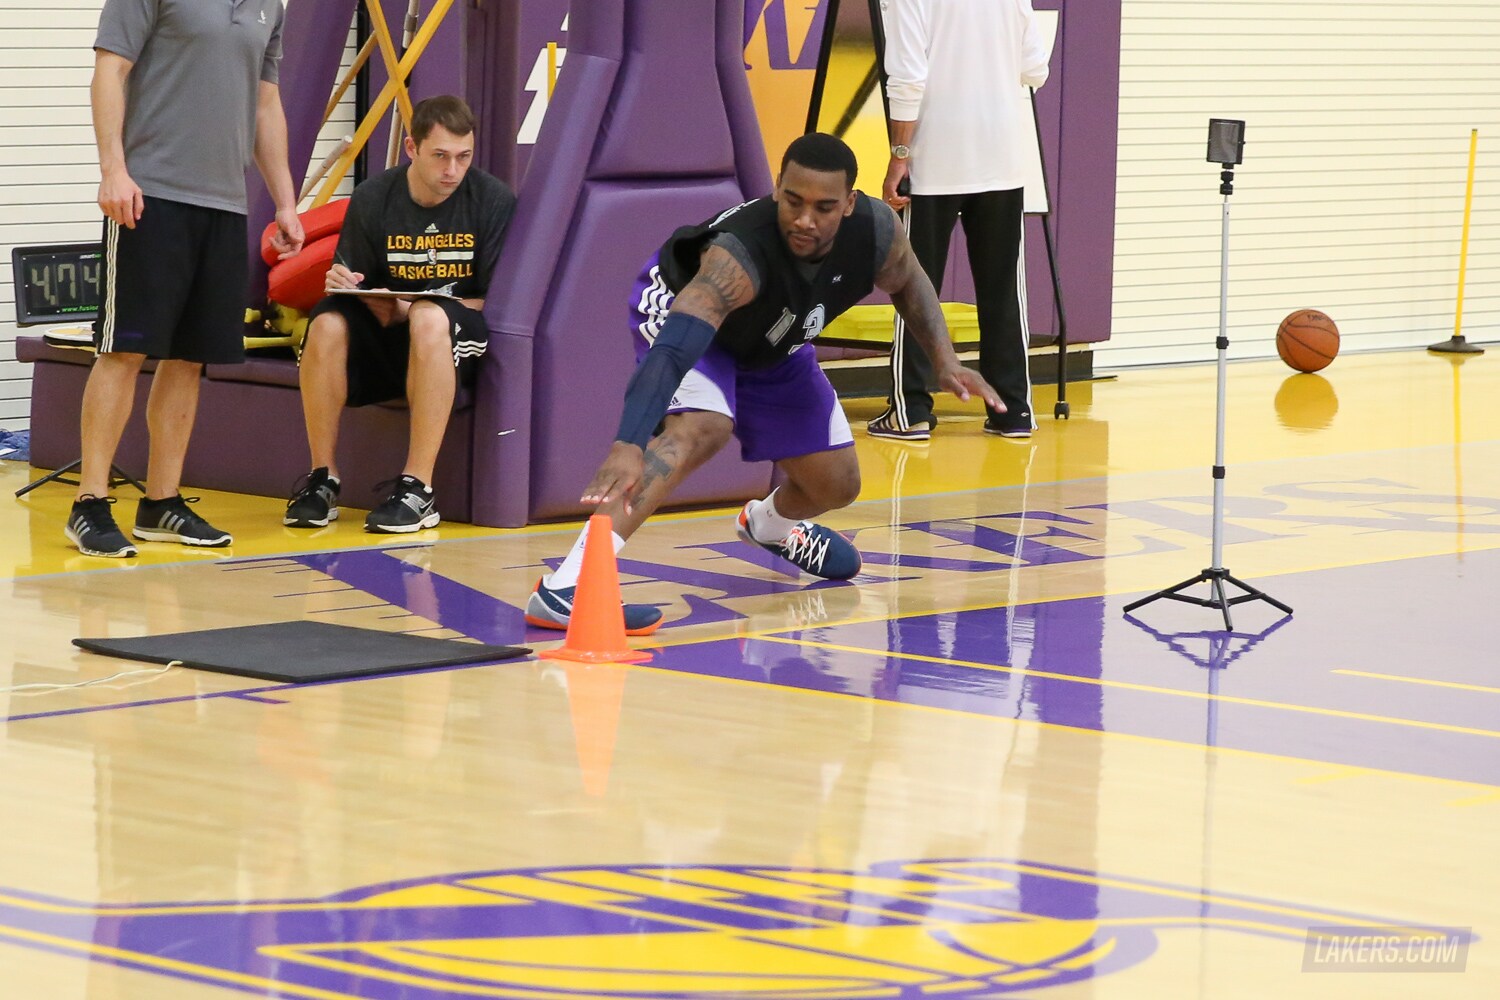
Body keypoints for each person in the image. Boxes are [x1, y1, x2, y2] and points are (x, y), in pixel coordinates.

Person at [525, 133, 1001, 636]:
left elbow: (908, 280)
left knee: (837, 484)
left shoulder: (876, 231)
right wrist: (628, 442)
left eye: (823, 207)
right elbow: (672, 352)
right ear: (777, 187)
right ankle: (566, 586)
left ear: (850, 204)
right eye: (793, 201)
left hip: (775, 338)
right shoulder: (737, 258)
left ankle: (769, 525)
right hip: (688, 322)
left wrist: (945, 362)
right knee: (700, 429)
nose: (803, 219)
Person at [66, 0, 306, 558]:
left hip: (224, 205)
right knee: (123, 351)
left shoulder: (272, 4)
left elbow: (266, 103)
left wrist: (286, 202)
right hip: (149, 196)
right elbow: (110, 69)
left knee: (189, 358)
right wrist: (113, 169)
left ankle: (160, 502)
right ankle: (90, 503)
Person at [284, 95, 515, 533]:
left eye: (463, 157)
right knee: (328, 321)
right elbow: (356, 283)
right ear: (412, 149)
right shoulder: (373, 196)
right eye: (440, 156)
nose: (452, 170)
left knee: (429, 315)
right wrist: (346, 285)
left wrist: (411, 310)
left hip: (453, 336)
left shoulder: (492, 200)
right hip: (389, 333)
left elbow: (501, 301)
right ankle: (321, 478)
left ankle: (418, 488)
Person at [867, 0, 1050, 443]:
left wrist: (899, 157)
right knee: (1003, 289)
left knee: (912, 287)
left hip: (934, 159)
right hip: (1001, 155)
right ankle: (1013, 410)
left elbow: (907, 77)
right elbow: (1036, 69)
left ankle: (910, 412)